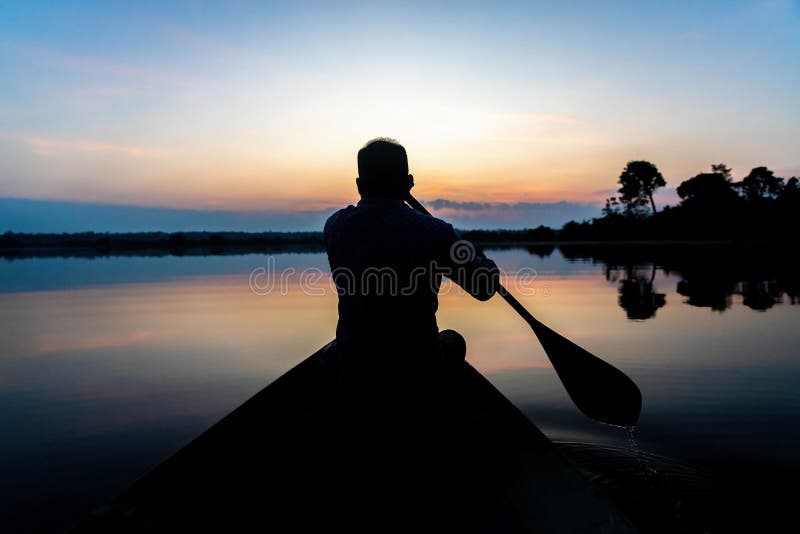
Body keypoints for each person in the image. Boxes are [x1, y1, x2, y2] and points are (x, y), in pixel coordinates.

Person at [323, 137, 500, 383]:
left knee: (334, 350)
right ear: (408, 183)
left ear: (359, 185)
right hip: (417, 366)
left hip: (354, 364)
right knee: (453, 340)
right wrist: (477, 256)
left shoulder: (335, 226)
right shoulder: (435, 232)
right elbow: (484, 288)